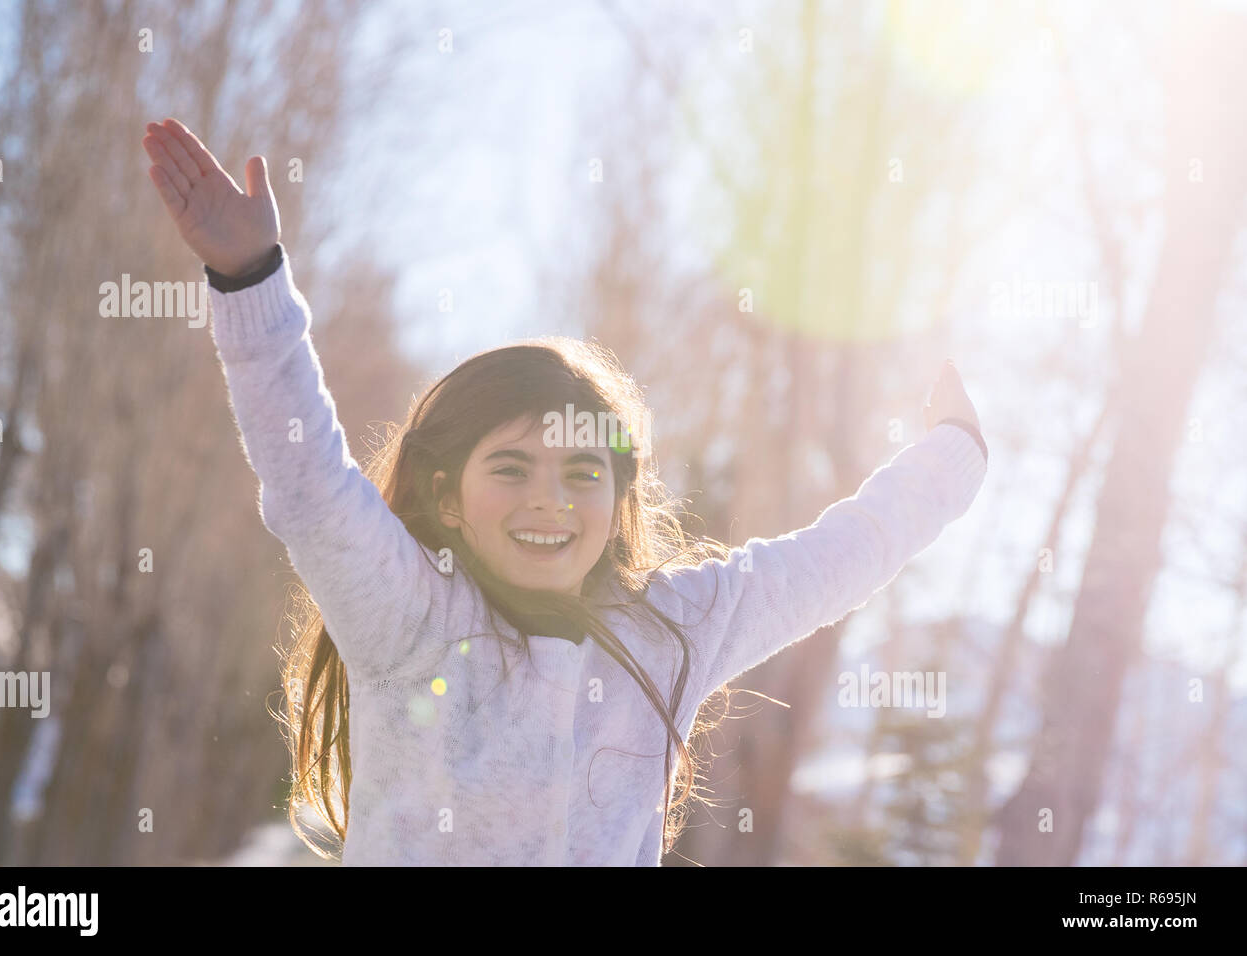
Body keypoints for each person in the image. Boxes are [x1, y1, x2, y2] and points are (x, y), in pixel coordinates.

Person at [142, 117, 988, 866]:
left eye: (583, 474)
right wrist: (251, 278)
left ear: (620, 498)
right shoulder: (409, 619)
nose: (549, 501)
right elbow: (312, 487)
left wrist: (954, 458)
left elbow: (838, 558)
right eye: (511, 469)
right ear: (445, 497)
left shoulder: (673, 632)